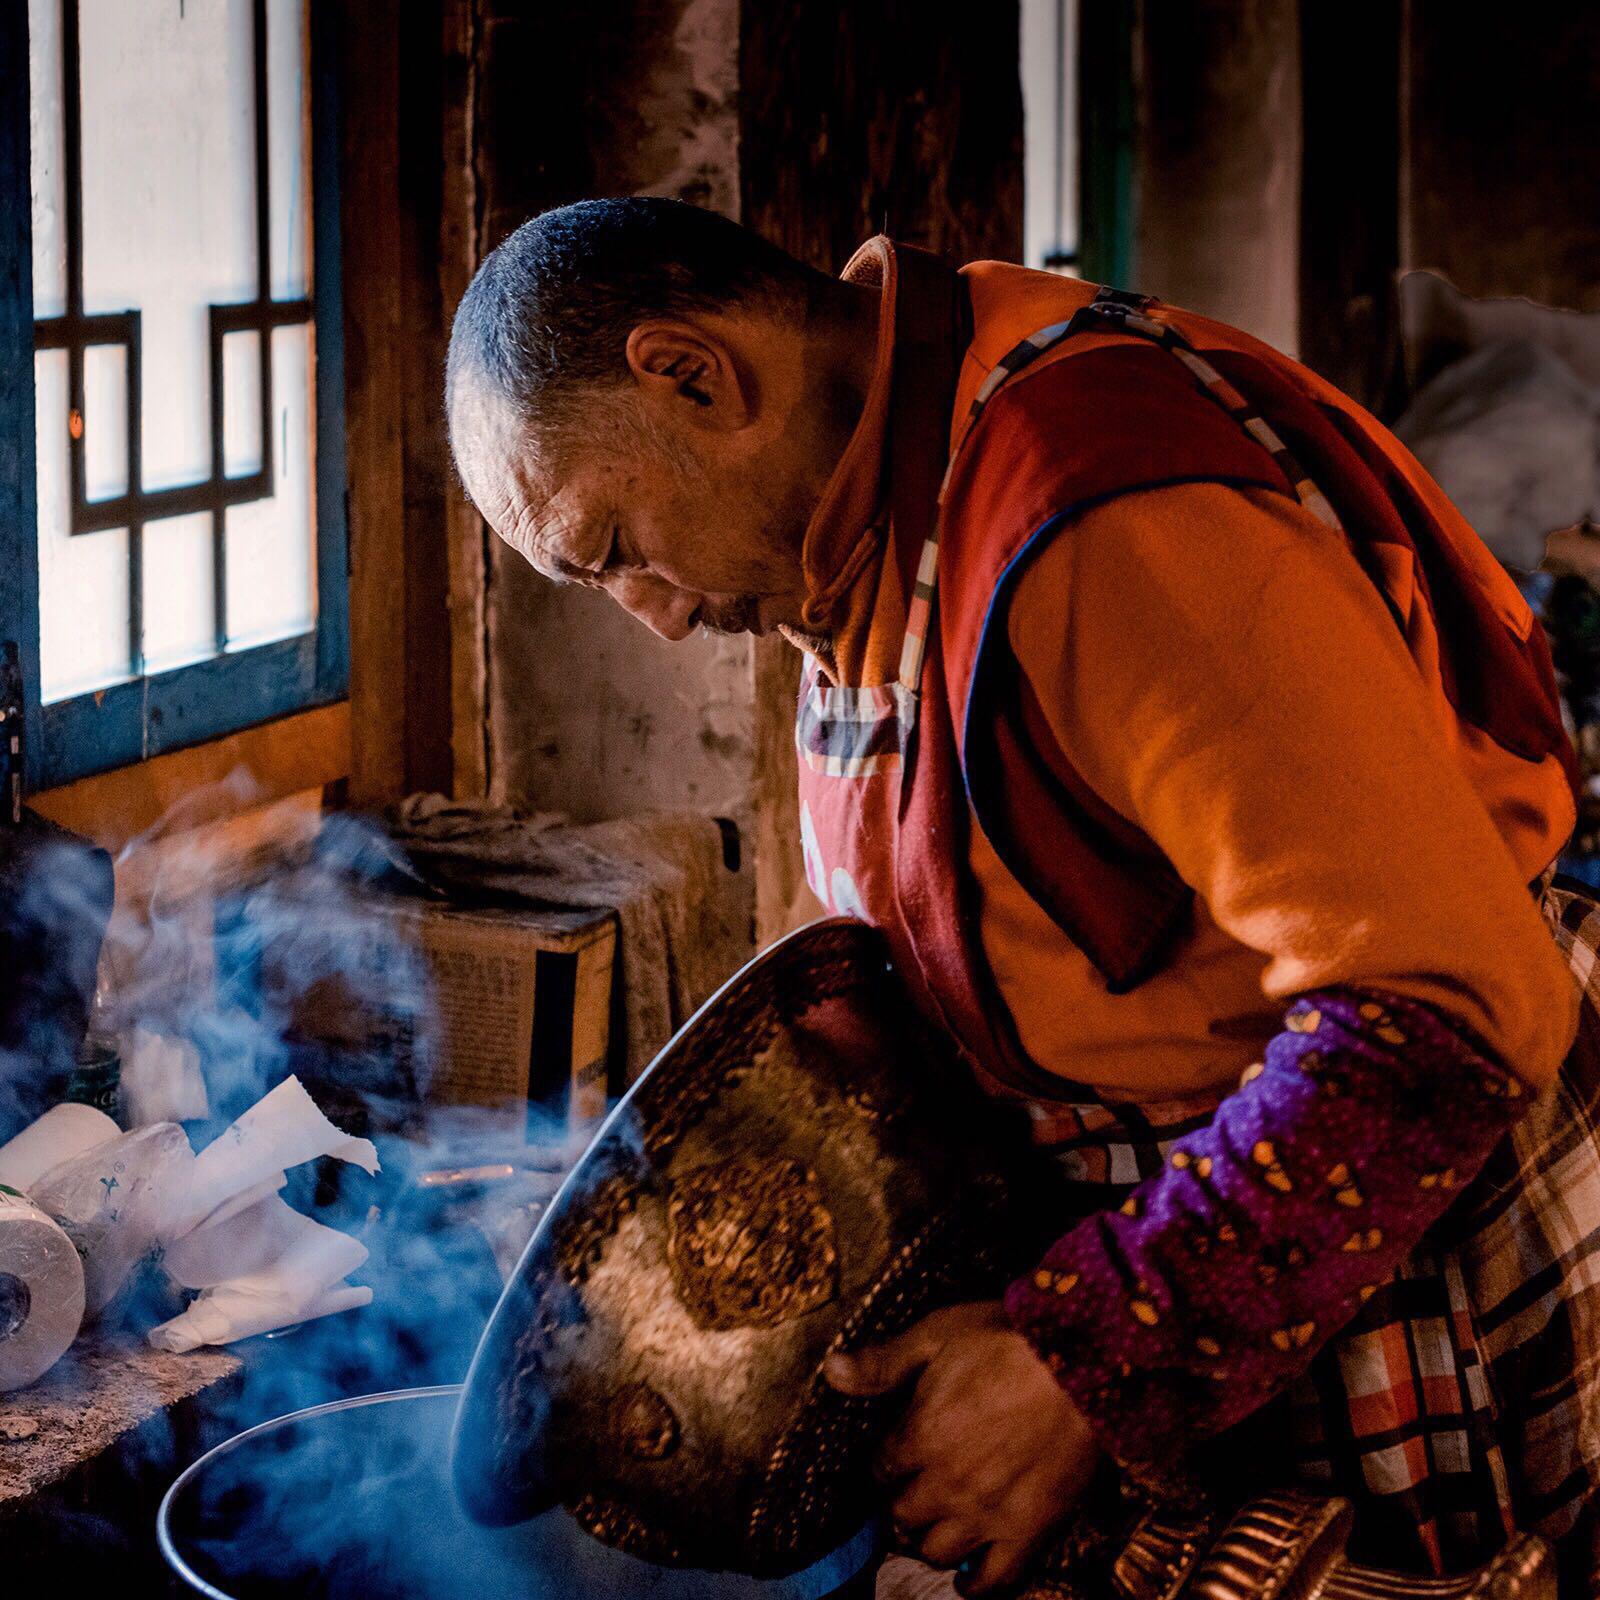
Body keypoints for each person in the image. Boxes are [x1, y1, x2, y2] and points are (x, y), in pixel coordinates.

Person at [446, 197, 1600, 1595]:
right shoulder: (877, 491)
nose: (659, 614)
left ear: (695, 374)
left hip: (1367, 1249)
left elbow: (1441, 1012)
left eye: (617, 544)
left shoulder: (1099, 513)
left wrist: (1087, 1363)